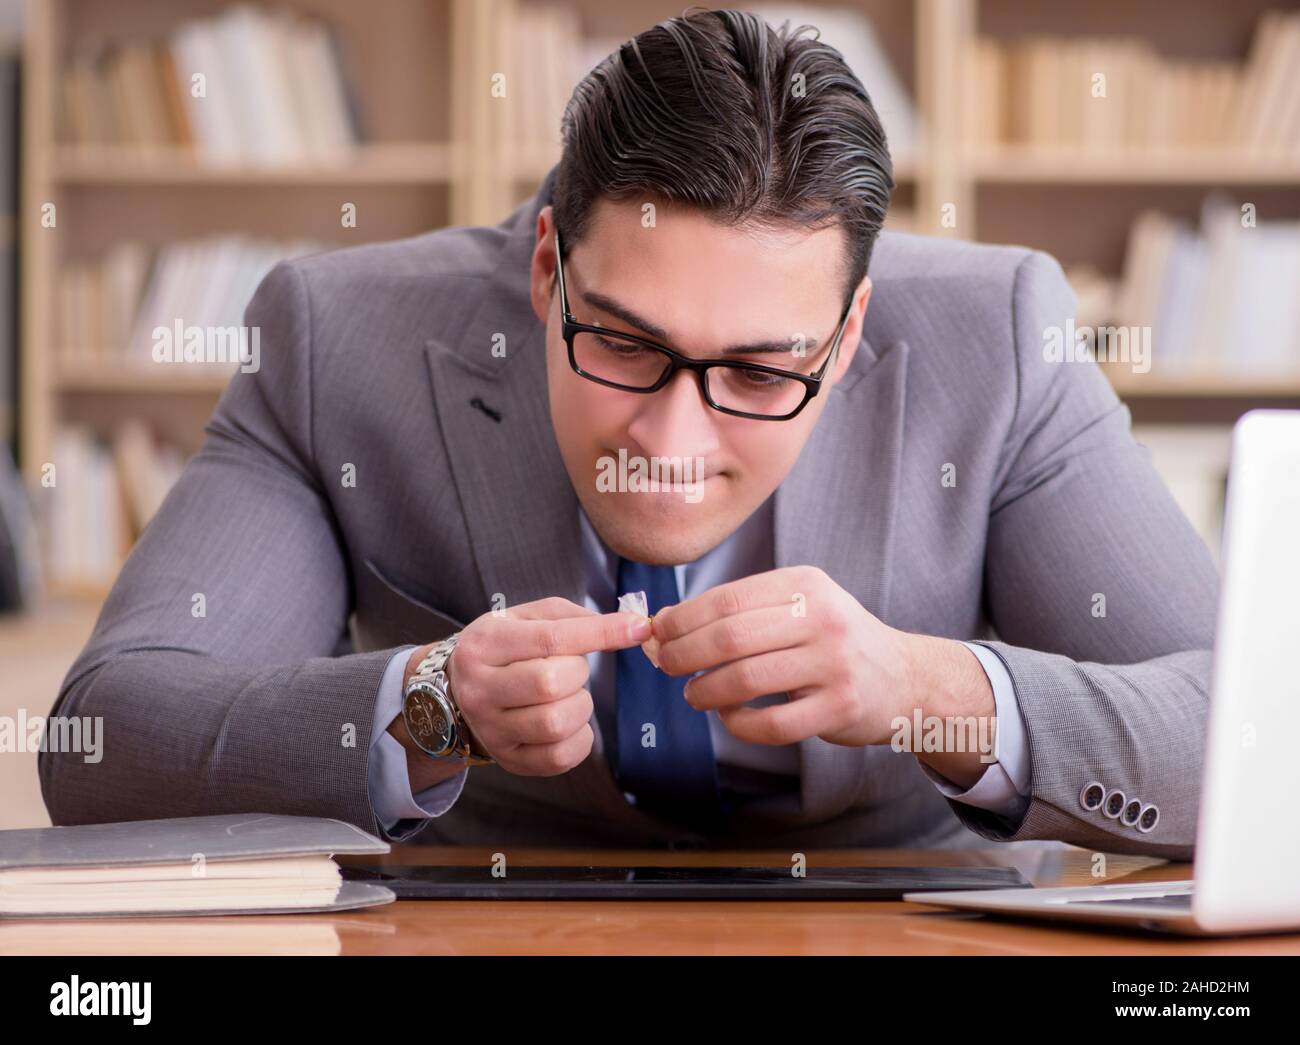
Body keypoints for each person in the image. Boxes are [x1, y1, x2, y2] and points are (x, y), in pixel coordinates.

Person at [41, 9, 1216, 857]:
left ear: (848, 333)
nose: (671, 433)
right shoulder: (335, 336)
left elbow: (1255, 727)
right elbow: (105, 735)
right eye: (623, 342)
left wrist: (926, 687)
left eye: (759, 370)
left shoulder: (999, 338)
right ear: (548, 267)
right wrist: (429, 700)